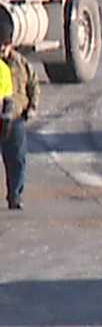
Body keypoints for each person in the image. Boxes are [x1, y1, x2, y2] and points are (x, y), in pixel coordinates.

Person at [0, 19, 39, 210]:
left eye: (4, 44)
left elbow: (33, 85)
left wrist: (32, 107)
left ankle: (15, 196)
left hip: (15, 120)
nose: (1, 48)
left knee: (17, 160)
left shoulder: (20, 63)